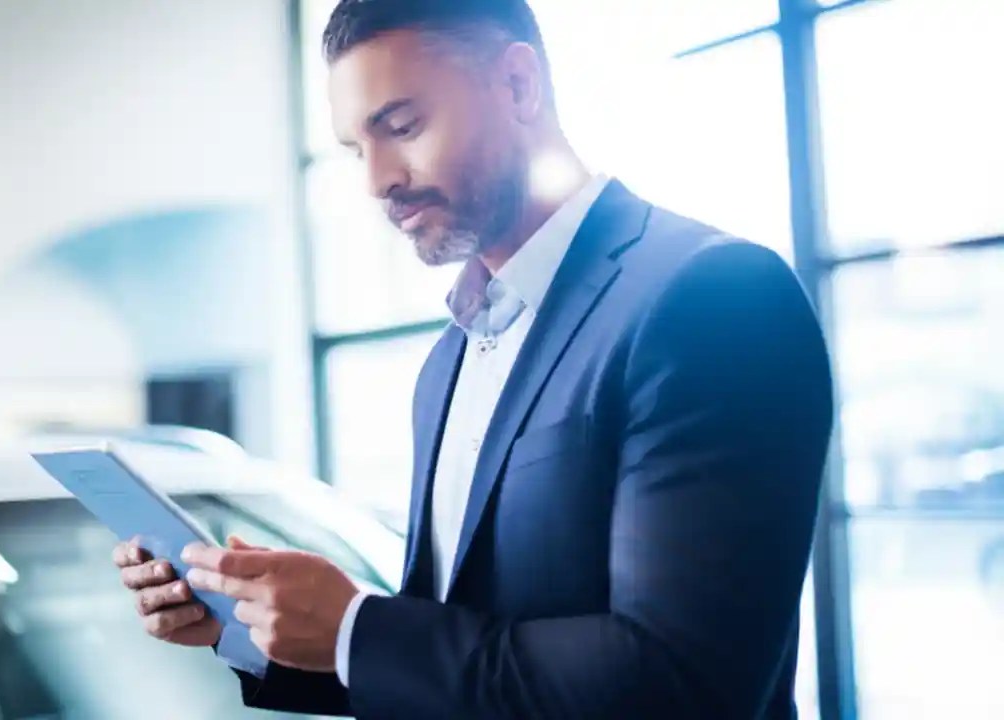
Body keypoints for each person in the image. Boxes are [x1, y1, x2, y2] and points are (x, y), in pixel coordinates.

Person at [113, 0, 834, 717]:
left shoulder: (713, 295)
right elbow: (455, 660)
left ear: (519, 85)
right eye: (357, 149)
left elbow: (682, 678)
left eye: (402, 127)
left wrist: (356, 630)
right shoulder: (449, 361)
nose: (378, 181)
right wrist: (250, 626)